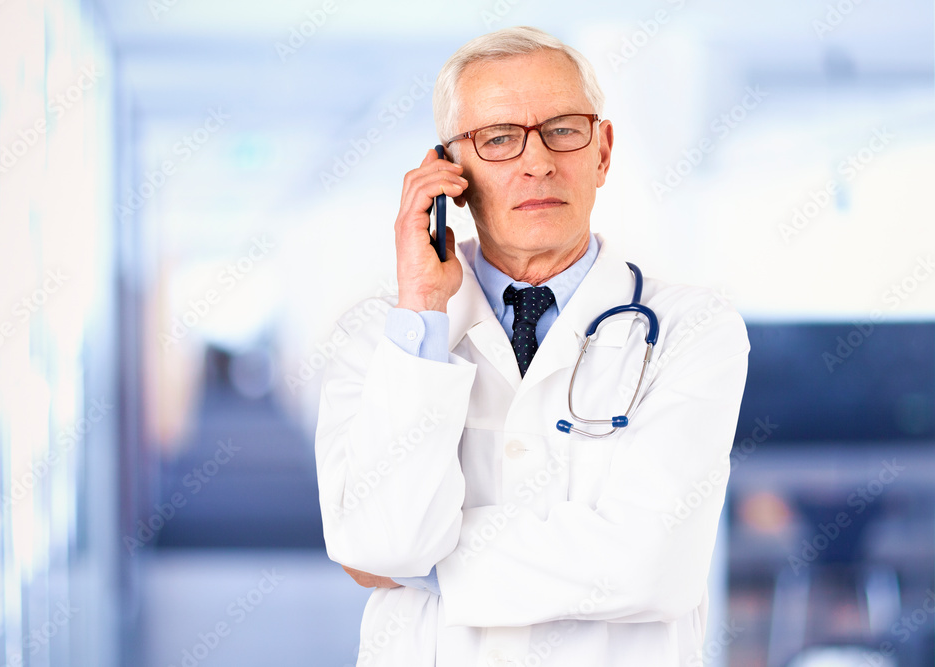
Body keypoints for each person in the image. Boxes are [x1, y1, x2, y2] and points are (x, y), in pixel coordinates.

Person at [314, 26, 749, 666]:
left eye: (564, 130)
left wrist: (420, 566)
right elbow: (374, 545)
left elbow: (651, 563)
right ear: (449, 171)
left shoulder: (694, 329)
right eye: (498, 139)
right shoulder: (380, 335)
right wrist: (425, 318)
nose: (538, 161)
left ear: (602, 151)